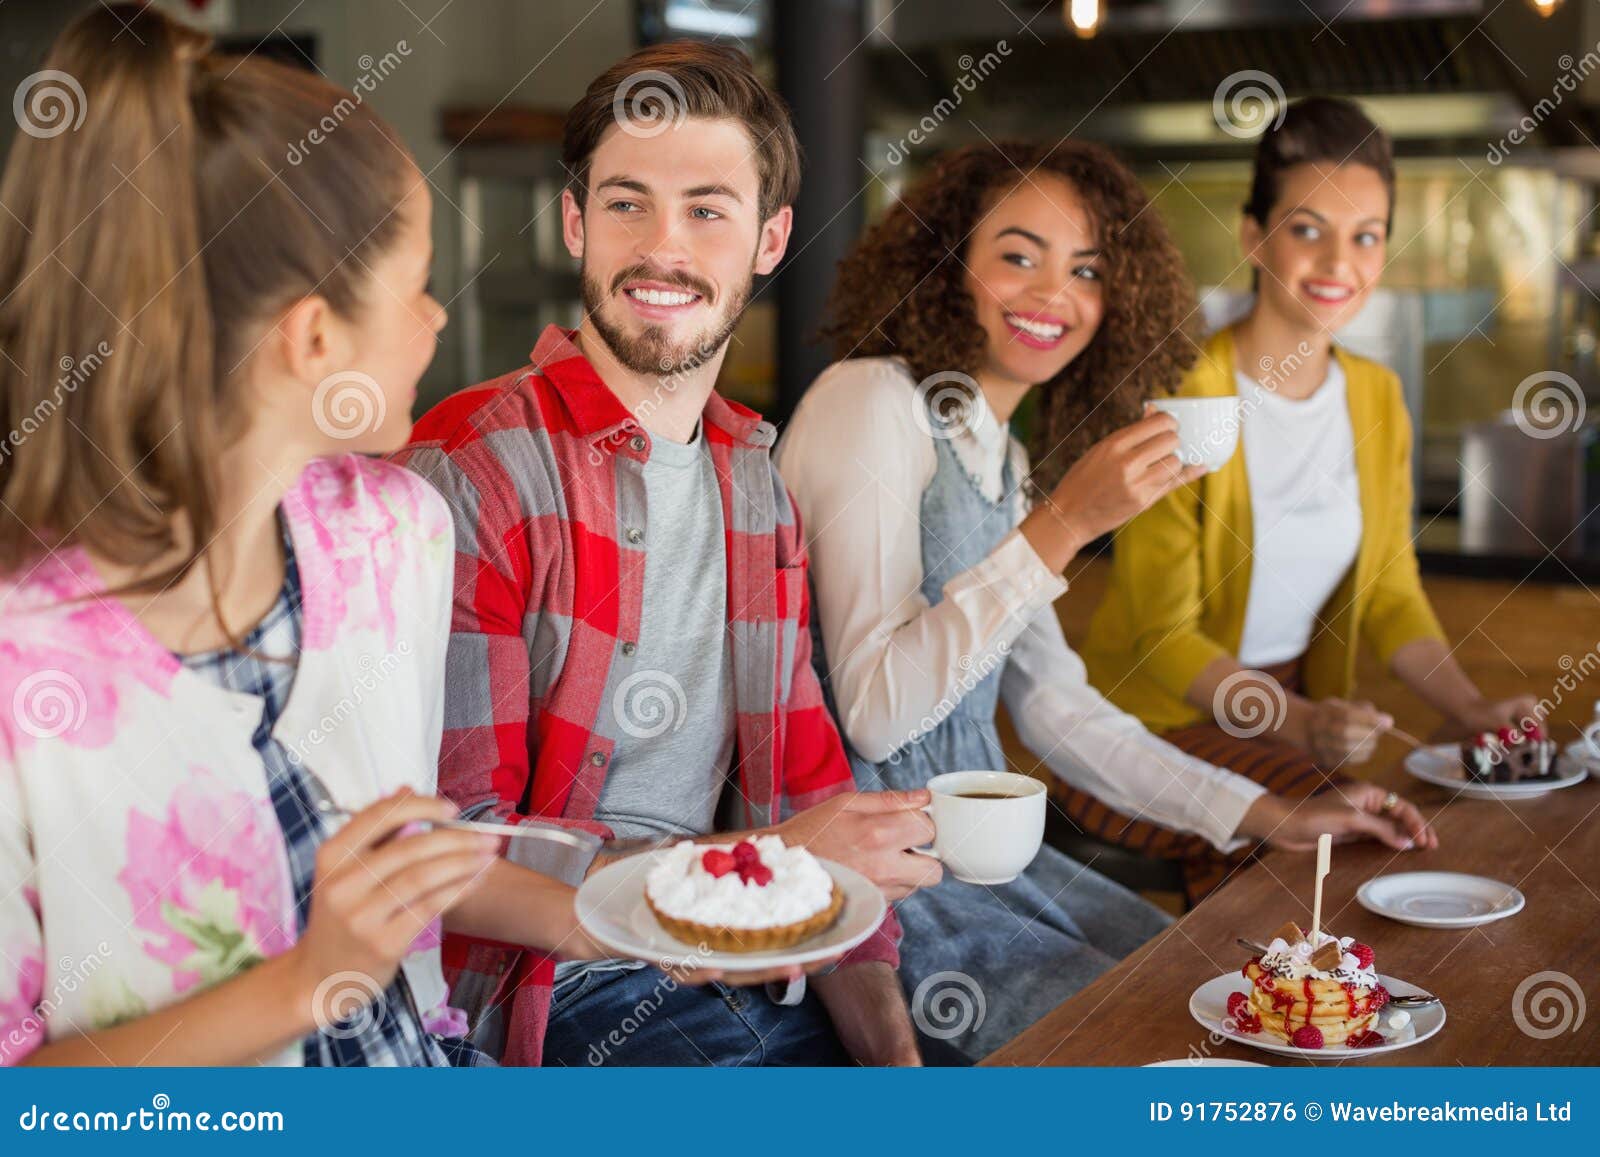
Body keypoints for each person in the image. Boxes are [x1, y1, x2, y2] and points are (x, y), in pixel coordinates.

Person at [0, 5, 748, 1068]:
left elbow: (418, 863)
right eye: (415, 287)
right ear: (313, 338)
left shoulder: (392, 536)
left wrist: (622, 921)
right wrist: (306, 981)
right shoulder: (26, 671)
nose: (439, 321)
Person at [775, 139, 1435, 1061]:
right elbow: (877, 717)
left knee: (1224, 996)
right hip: (881, 889)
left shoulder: (997, 457)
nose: (1055, 293)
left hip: (987, 859)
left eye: (1086, 268)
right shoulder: (871, 401)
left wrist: (1268, 813)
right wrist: (1063, 524)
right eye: (1017, 255)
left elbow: (1056, 707)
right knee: (1174, 1043)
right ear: (943, 261)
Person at [394, 42, 940, 1068]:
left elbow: (803, 794)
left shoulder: (753, 482)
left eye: (706, 208)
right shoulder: (475, 466)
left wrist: (896, 1066)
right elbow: (455, 845)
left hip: (738, 968)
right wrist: (762, 859)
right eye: (626, 203)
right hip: (545, 1010)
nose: (660, 247)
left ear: (770, 238)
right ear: (573, 222)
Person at [1081, 97, 1520, 895]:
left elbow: (1390, 593)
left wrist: (1471, 706)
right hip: (1149, 719)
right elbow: (1162, 636)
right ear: (1255, 236)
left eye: (1367, 237)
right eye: (1308, 230)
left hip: (1286, 720)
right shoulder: (1184, 395)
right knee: (1334, 829)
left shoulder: (1378, 397)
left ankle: (1295, 1003)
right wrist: (1300, 723)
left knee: (1402, 825)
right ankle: (1259, 1012)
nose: (1338, 264)